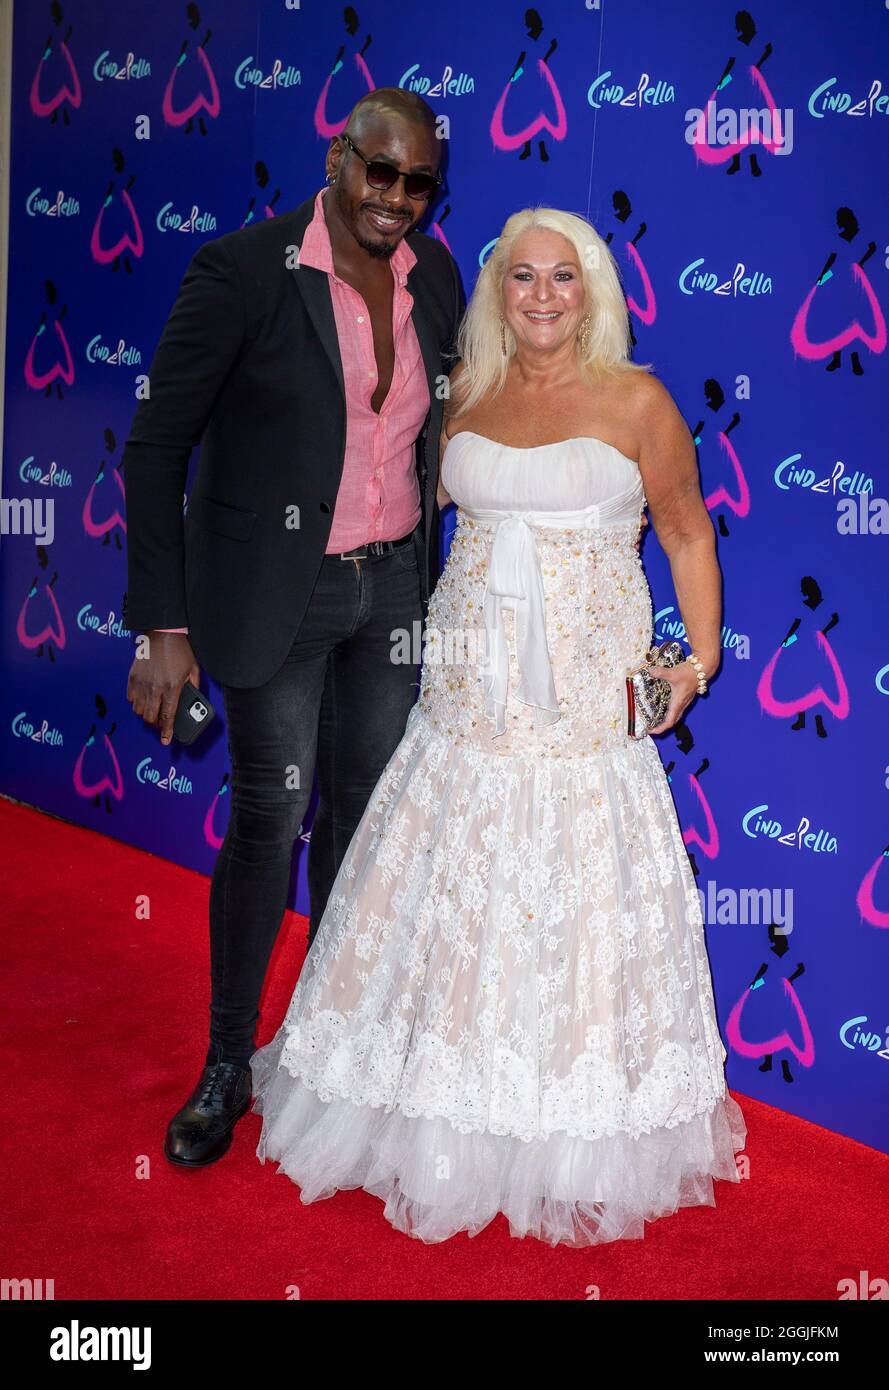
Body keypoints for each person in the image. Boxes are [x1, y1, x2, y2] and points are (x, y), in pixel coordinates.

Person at [248, 205, 748, 1247]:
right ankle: (429, 1106)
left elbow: (688, 532)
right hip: (466, 708)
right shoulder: (462, 392)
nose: (541, 297)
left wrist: (692, 663)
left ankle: (561, 1129)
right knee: (452, 900)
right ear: (495, 291)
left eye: (562, 277)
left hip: (579, 724)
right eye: (521, 277)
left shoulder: (639, 401)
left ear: (594, 289)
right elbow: (404, 513)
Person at [122, 89, 465, 1168]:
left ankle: (336, 1050)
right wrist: (162, 625)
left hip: (391, 599)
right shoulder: (241, 272)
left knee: (364, 825)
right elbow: (153, 451)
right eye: (380, 173)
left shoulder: (439, 278)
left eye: (418, 185)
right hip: (278, 599)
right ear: (338, 156)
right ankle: (229, 1061)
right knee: (271, 824)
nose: (395, 200)